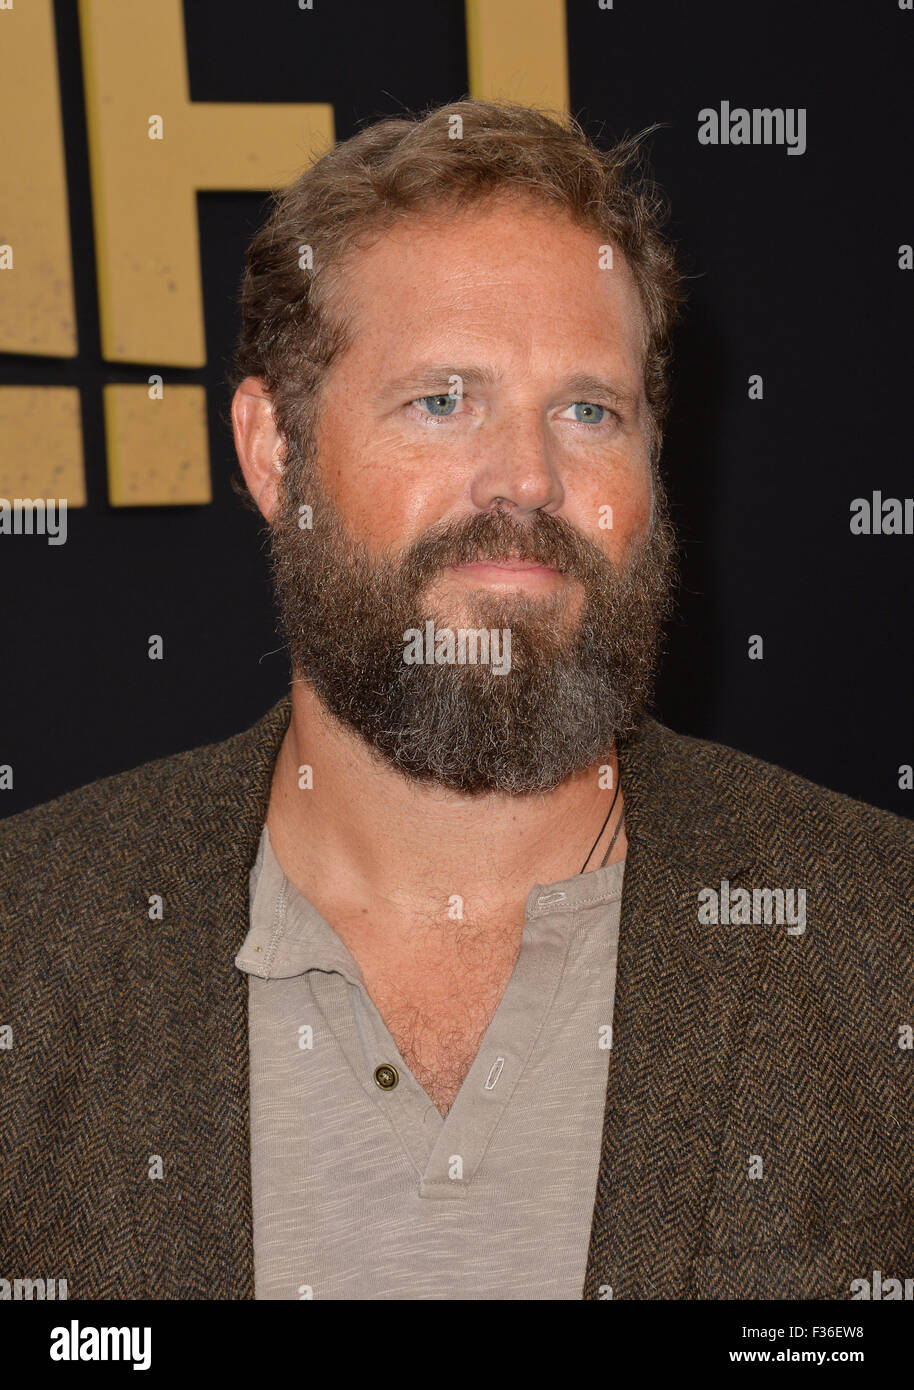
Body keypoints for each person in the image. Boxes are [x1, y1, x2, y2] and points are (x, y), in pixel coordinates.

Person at [1, 100, 911, 1301]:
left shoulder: (875, 943)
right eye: (443, 400)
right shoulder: (32, 946)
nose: (528, 479)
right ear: (273, 452)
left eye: (588, 410)